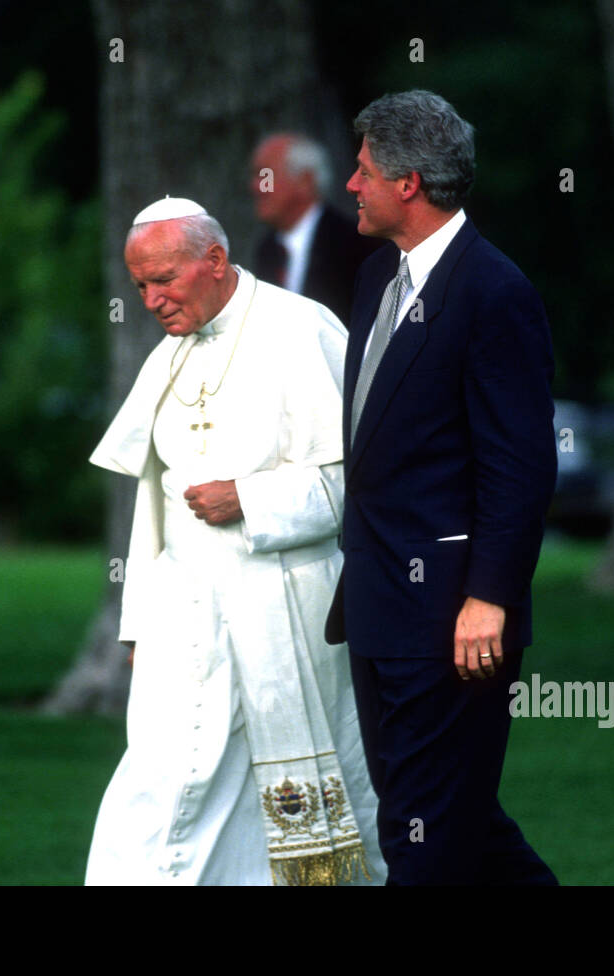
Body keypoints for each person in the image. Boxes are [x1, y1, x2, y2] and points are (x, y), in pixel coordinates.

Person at [84, 195, 386, 886]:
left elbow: (364, 484)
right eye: (140, 287)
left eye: (164, 279)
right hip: (184, 619)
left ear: (214, 260)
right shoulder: (167, 358)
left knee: (285, 802)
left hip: (287, 610)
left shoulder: (301, 329)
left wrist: (249, 498)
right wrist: (135, 627)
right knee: (161, 785)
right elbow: (150, 508)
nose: (152, 299)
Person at [324, 90, 559, 885]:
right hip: (378, 607)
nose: (349, 185)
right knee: (452, 819)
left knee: (421, 837)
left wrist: (488, 596)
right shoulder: (372, 282)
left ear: (408, 182)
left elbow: (519, 464)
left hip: (453, 619)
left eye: (362, 171)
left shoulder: (495, 292)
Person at [249, 133, 380, 325]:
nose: (256, 186)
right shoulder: (267, 251)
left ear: (305, 181)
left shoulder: (357, 246)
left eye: (265, 176)